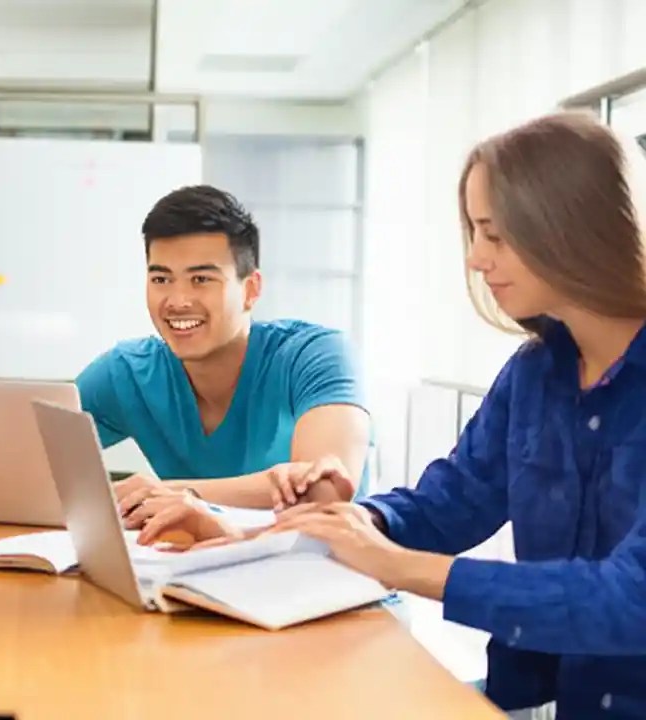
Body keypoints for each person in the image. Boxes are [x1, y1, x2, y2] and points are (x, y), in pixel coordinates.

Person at [149, 112, 646, 719]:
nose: (475, 259)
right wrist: (280, 534)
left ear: (568, 227)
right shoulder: (536, 372)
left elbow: (632, 601)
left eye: (495, 234)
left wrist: (403, 568)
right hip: (545, 698)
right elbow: (449, 504)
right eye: (473, 232)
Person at [76, 184, 371, 525]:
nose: (177, 300)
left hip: (319, 568)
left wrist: (175, 493)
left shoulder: (316, 355)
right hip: (190, 569)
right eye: (161, 278)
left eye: (200, 279)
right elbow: (22, 456)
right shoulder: (128, 372)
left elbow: (326, 491)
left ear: (251, 289)